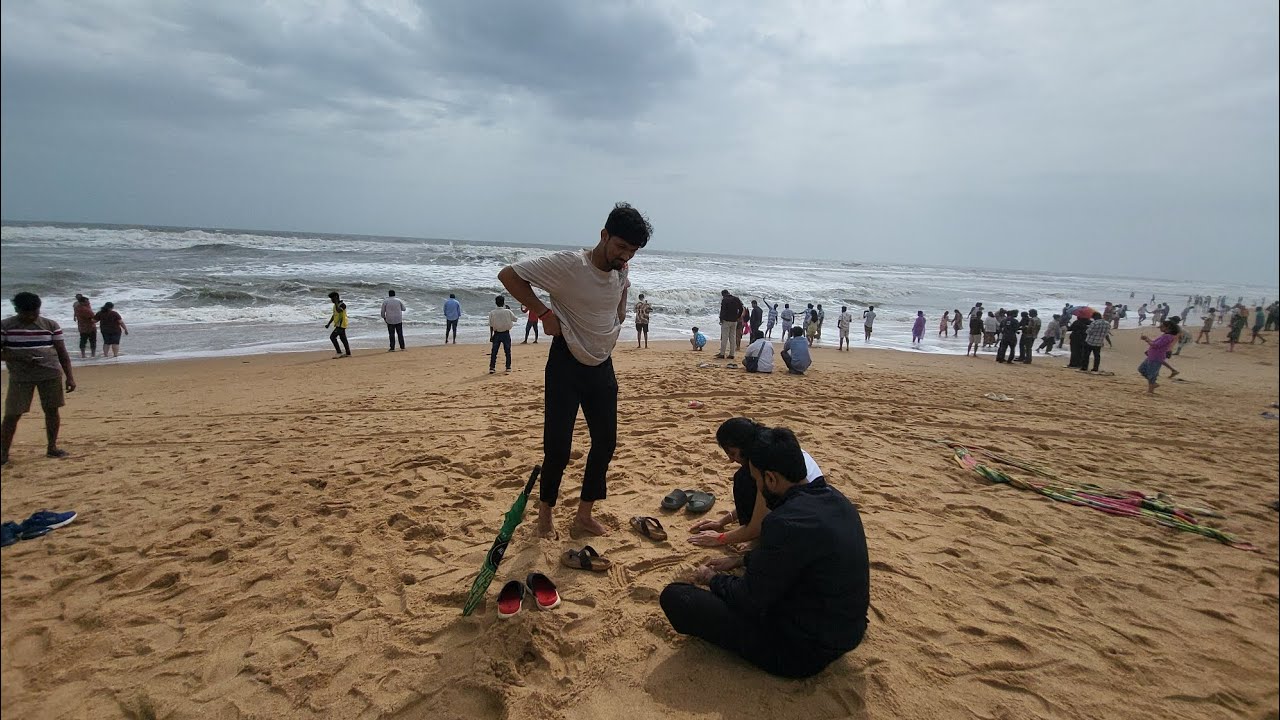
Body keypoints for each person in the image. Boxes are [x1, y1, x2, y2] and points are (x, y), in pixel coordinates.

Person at [659, 426, 869, 679]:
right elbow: (792, 558)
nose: (757, 486)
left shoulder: (784, 522)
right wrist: (741, 560)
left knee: (676, 597)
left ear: (770, 479)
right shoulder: (837, 500)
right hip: (847, 633)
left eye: (756, 480)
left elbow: (748, 598)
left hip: (804, 652)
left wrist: (711, 578)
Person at [497, 202, 651, 538]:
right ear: (604, 235)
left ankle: (584, 515)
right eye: (621, 247)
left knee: (605, 443)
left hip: (602, 365)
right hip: (566, 362)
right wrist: (543, 313)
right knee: (558, 449)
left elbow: (618, 300)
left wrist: (619, 314)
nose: (626, 256)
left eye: (633, 250)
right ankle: (545, 516)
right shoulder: (569, 265)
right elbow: (509, 275)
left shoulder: (621, 269)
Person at [688, 418, 825, 549]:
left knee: (743, 479)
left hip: (805, 518)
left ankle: (759, 540)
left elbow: (757, 524)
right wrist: (723, 521)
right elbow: (761, 505)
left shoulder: (765, 466)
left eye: (733, 453)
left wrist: (720, 538)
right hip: (815, 502)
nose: (731, 460)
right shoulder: (773, 447)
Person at [1, 292, 76, 465]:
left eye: (34, 312)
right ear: (17, 310)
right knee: (12, 414)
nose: (30, 317)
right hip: (20, 377)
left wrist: (70, 377)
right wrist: (18, 357)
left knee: (51, 410)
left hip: (50, 374)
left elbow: (62, 353)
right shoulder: (5, 326)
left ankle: (52, 448)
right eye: (25, 313)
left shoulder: (50, 325)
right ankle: (3, 452)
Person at [1139, 322, 1180, 394]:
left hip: (1156, 357)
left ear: (1168, 328)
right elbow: (1154, 343)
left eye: (1162, 326)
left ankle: (1150, 390)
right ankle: (1153, 384)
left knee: (1152, 373)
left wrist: (1147, 340)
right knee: (1142, 369)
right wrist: (1147, 339)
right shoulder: (1165, 336)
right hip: (1152, 356)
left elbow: (1156, 345)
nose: (1160, 328)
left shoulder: (1167, 337)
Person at [488, 295, 518, 373]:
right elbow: (515, 319)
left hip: (496, 333)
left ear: (496, 303)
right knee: (507, 351)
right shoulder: (508, 311)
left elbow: (491, 325)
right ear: (503, 302)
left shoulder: (492, 312)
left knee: (494, 352)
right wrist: (509, 310)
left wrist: (491, 335)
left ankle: (492, 367)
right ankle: (508, 367)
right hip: (506, 333)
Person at [716, 290, 744, 359]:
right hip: (734, 320)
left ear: (723, 294)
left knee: (724, 337)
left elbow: (723, 310)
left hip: (726, 320)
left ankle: (722, 353)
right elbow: (741, 308)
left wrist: (721, 319)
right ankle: (732, 354)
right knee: (733, 337)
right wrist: (738, 316)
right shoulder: (736, 299)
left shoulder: (725, 300)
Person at [324, 292, 350, 358]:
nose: (331, 300)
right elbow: (334, 315)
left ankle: (339, 352)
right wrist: (328, 323)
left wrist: (336, 302)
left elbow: (338, 310)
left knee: (332, 337)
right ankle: (348, 353)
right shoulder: (335, 306)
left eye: (332, 299)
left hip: (341, 324)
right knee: (343, 339)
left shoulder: (342, 305)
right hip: (338, 325)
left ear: (336, 297)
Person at [73, 294, 97, 359]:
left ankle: (83, 355)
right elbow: (92, 317)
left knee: (83, 340)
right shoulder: (85, 309)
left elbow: (75, 312)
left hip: (82, 326)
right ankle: (93, 355)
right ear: (82, 302)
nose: (88, 302)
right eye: (87, 302)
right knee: (92, 341)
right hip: (90, 327)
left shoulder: (77, 307)